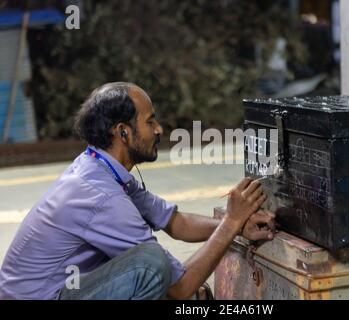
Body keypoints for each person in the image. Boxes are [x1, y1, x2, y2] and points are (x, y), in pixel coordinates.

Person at [0, 82, 275, 300]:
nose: (159, 129)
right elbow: (180, 287)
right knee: (152, 263)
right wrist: (231, 221)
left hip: (59, 291)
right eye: (149, 121)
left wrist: (239, 227)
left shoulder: (100, 166)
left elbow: (176, 223)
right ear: (123, 132)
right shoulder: (100, 195)